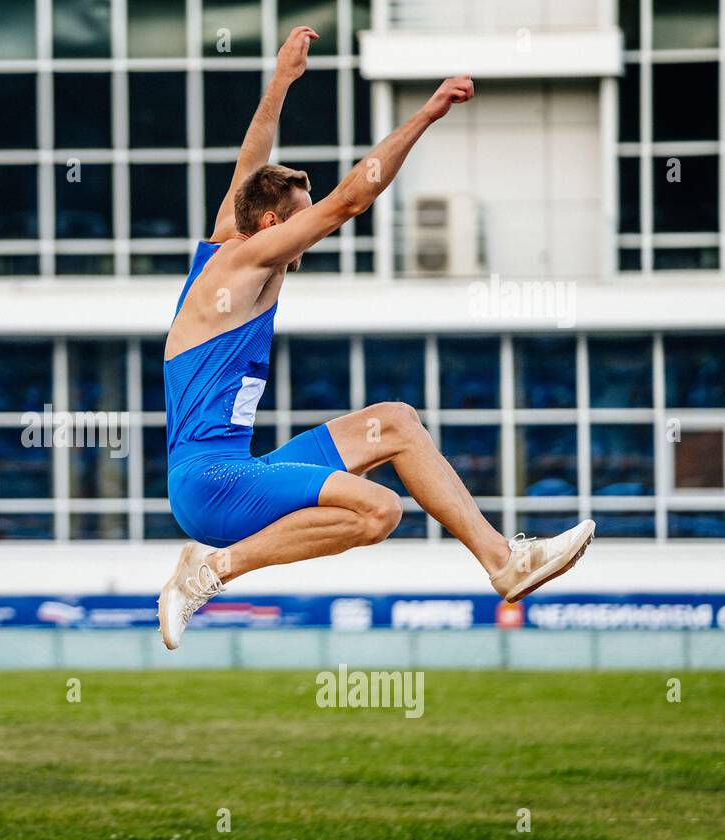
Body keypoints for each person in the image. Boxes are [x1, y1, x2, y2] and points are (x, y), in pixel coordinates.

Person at [156, 27, 594, 650]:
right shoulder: (244, 262)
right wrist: (428, 112)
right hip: (211, 486)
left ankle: (503, 561)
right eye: (300, 216)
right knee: (380, 510)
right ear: (274, 225)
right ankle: (210, 571)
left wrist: (281, 80)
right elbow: (350, 199)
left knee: (397, 423)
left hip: (233, 469)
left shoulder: (228, 241)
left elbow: (249, 166)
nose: (312, 227)